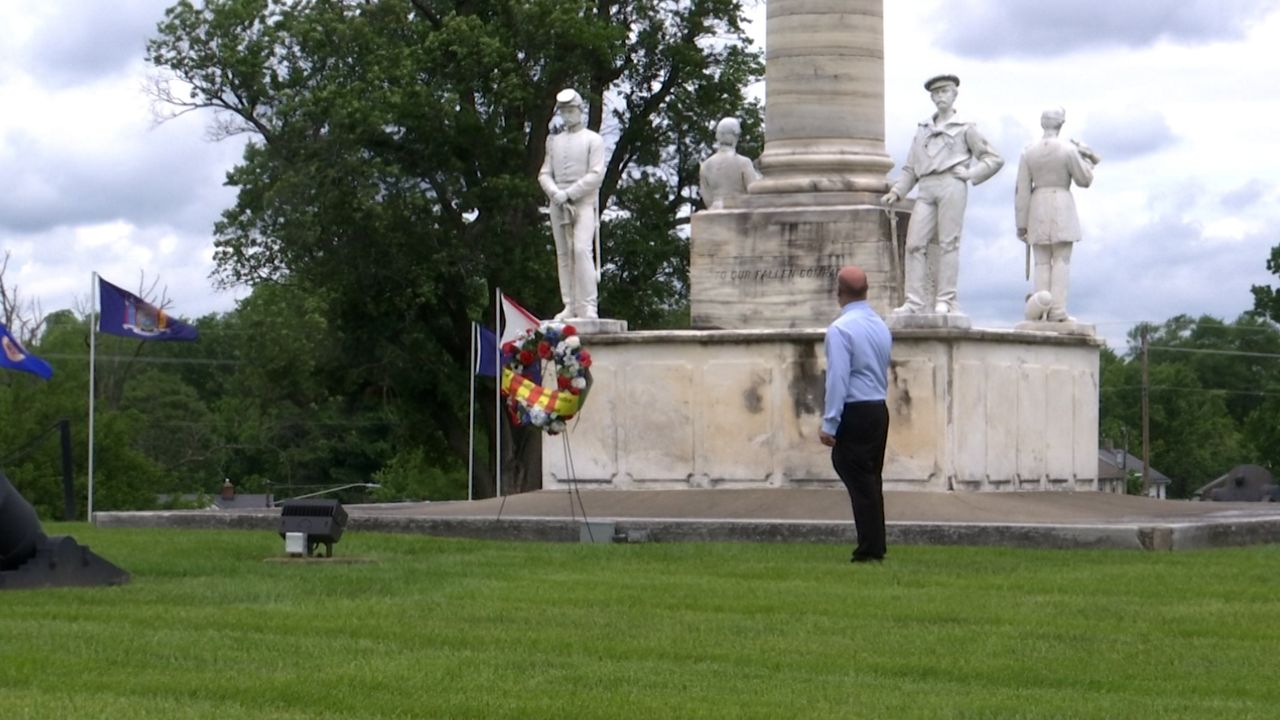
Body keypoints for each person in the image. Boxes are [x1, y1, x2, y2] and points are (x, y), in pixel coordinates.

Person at [882, 74, 1004, 315]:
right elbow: (910, 167)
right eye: (936, 93)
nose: (940, 97)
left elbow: (993, 158)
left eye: (944, 92)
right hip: (926, 186)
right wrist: (897, 191)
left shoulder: (966, 127)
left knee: (949, 243)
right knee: (914, 244)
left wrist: (971, 174)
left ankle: (945, 300)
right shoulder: (923, 129)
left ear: (954, 94)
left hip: (952, 183)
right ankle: (914, 301)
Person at [820, 266, 893, 563]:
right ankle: (875, 543)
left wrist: (830, 422)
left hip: (855, 408)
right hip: (878, 407)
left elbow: (838, 378)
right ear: (866, 290)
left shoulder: (841, 329)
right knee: (871, 479)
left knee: (855, 474)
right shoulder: (880, 325)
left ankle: (870, 548)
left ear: (839, 293)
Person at [1015, 107, 1100, 322]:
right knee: (1061, 260)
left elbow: (1022, 190)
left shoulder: (1028, 151)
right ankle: (1058, 311)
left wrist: (1021, 223)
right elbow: (1084, 180)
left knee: (1041, 262)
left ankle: (1041, 311)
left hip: (1037, 206)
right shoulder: (1068, 150)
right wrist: (1089, 159)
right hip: (1061, 202)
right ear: (1061, 123)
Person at [539, 89, 605, 320]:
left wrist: (569, 193)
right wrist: (555, 192)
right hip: (558, 204)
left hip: (583, 203)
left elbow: (596, 174)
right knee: (564, 254)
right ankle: (570, 304)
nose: (567, 116)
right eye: (563, 112)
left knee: (581, 249)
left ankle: (588, 305)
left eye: (571, 111)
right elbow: (545, 173)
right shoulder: (554, 142)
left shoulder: (593, 140)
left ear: (580, 111)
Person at [698, 117, 759, 209]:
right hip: (739, 214)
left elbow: (707, 197)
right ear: (735, 135)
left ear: (717, 135)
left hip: (714, 213)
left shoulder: (705, 165)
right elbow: (754, 192)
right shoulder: (744, 162)